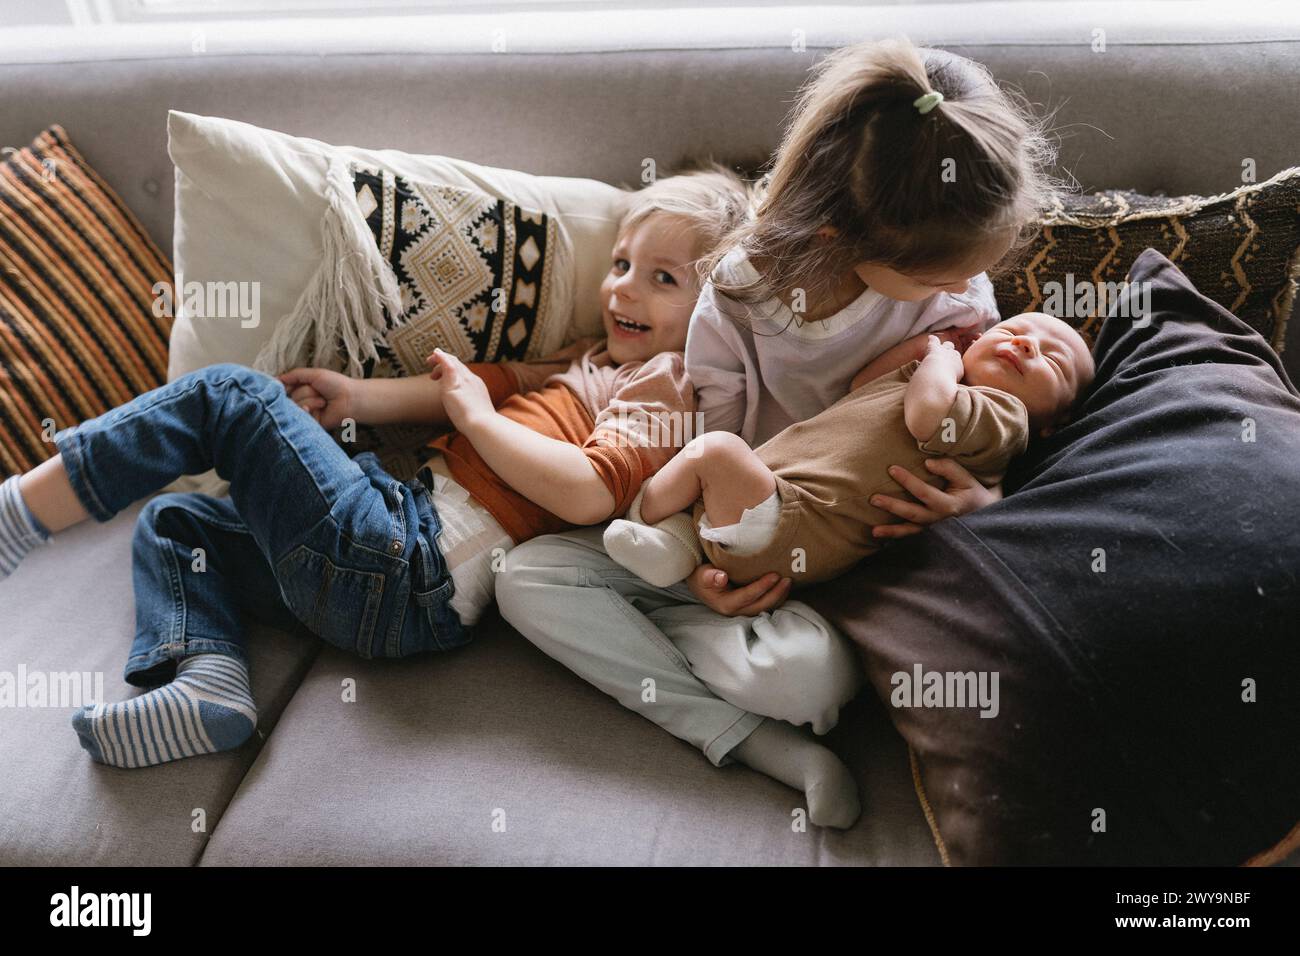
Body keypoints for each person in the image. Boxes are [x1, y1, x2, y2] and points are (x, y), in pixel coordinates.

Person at [0, 165, 750, 769]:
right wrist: (356, 396)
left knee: (231, 395)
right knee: (179, 521)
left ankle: (20, 514)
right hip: (384, 567)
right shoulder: (585, 360)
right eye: (621, 263)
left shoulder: (665, 382)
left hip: (405, 568)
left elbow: (590, 493)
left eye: (663, 278)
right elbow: (462, 389)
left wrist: (480, 421)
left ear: (714, 307)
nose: (622, 287)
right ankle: (209, 686)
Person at [496, 37, 1067, 828]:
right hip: (732, 523)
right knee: (525, 579)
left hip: (841, 562)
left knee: (804, 682)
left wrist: (984, 503)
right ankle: (758, 741)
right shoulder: (740, 292)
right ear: (839, 238)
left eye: (971, 273)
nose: (965, 292)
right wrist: (707, 557)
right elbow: (713, 435)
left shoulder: (959, 291)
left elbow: (986, 423)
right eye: (939, 278)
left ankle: (702, 660)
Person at [604, 313, 1096, 589]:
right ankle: (673, 550)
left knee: (712, 451)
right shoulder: (936, 383)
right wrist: (932, 344)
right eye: (1013, 331)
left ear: (1055, 422)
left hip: (797, 518)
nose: (1027, 345)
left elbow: (927, 416)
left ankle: (636, 512)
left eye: (1053, 359)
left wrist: (942, 365)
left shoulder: (1003, 416)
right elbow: (862, 386)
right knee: (714, 475)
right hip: (775, 507)